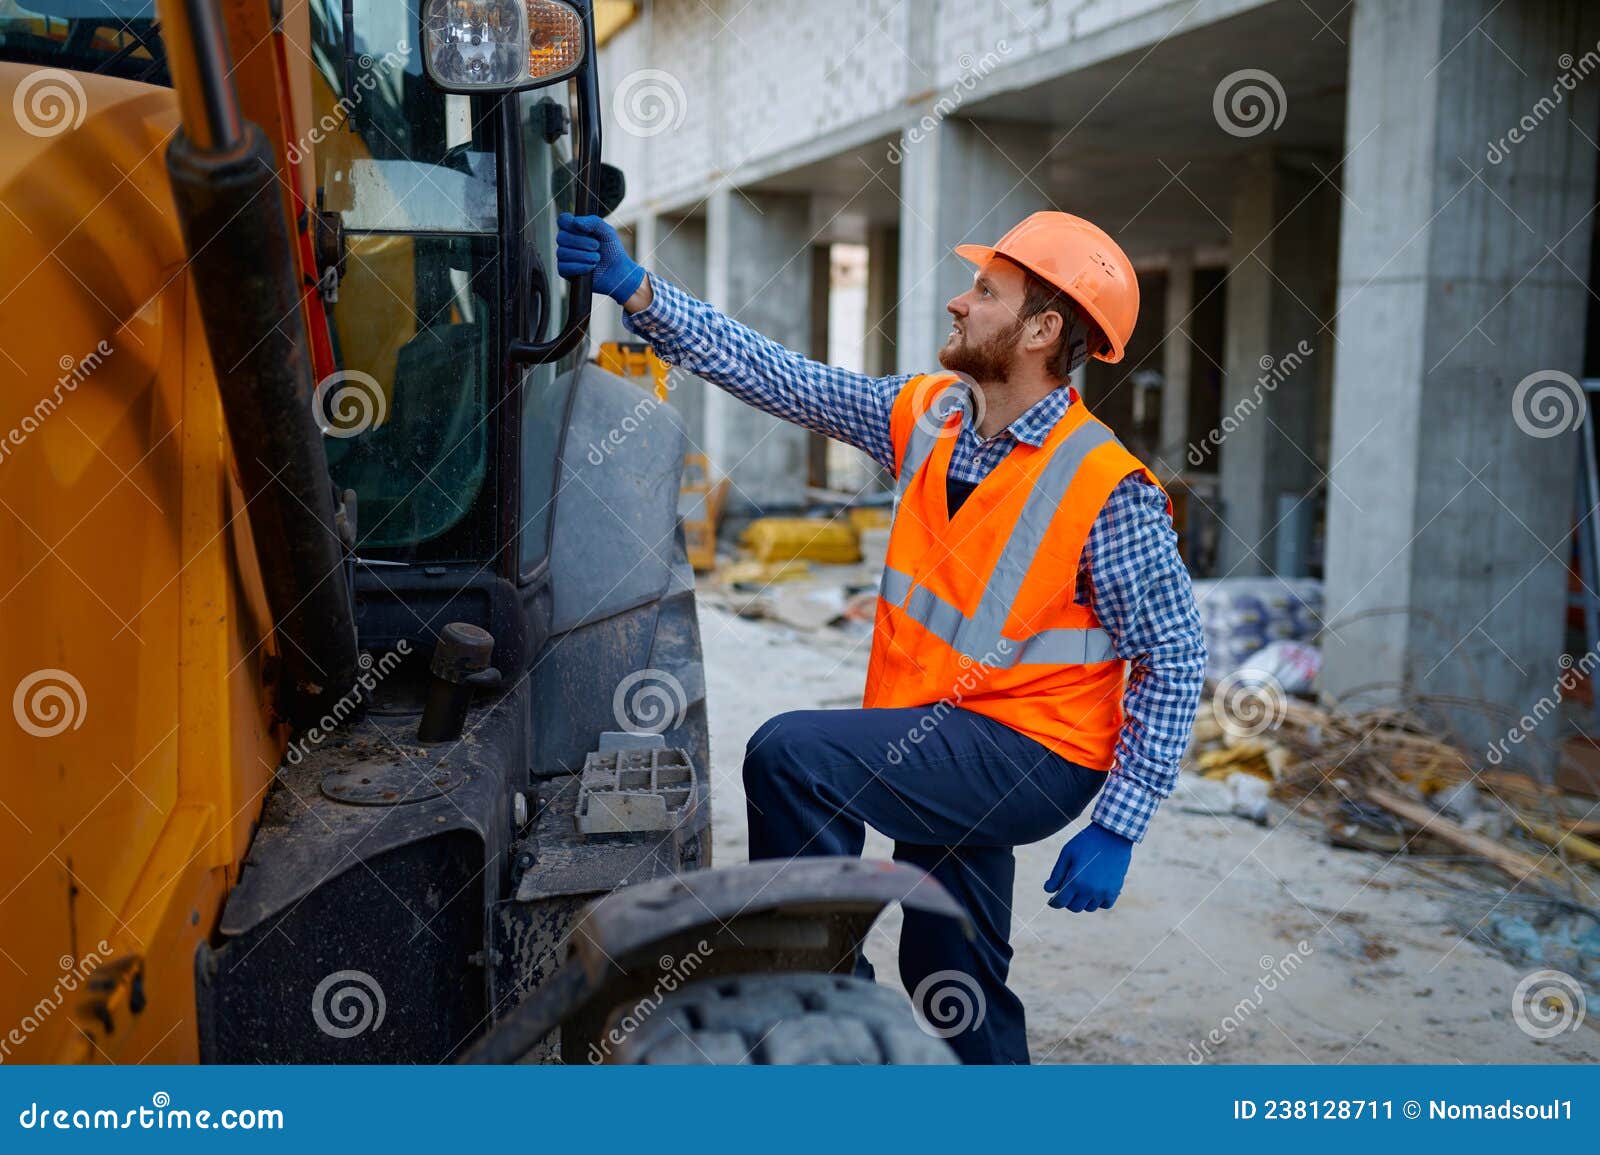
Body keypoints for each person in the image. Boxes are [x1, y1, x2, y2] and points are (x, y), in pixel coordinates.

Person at [556, 209, 1206, 1064]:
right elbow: (781, 376)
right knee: (952, 960)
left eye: (985, 292)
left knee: (795, 757)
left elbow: (1175, 652)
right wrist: (639, 292)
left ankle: (820, 1015)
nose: (957, 303)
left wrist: (1121, 820)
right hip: (945, 726)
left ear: (1043, 330)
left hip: (1035, 750)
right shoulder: (934, 415)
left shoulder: (1103, 485)